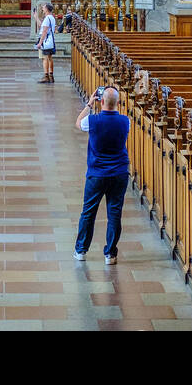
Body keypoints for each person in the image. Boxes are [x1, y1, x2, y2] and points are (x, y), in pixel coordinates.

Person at [73, 86, 130, 264]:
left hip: (97, 173)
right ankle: (110, 254)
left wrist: (89, 104)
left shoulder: (92, 120)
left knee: (88, 212)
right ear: (118, 103)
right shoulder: (125, 121)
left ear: (101, 101)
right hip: (119, 173)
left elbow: (78, 123)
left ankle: (81, 250)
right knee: (114, 213)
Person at [35, 2, 57, 84]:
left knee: (45, 58)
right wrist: (36, 17)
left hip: (46, 41)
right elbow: (42, 26)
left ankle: (46, 76)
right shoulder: (51, 18)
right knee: (49, 58)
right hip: (50, 40)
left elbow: (44, 31)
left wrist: (40, 43)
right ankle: (51, 76)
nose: (42, 9)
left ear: (47, 9)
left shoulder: (47, 18)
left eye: (43, 8)